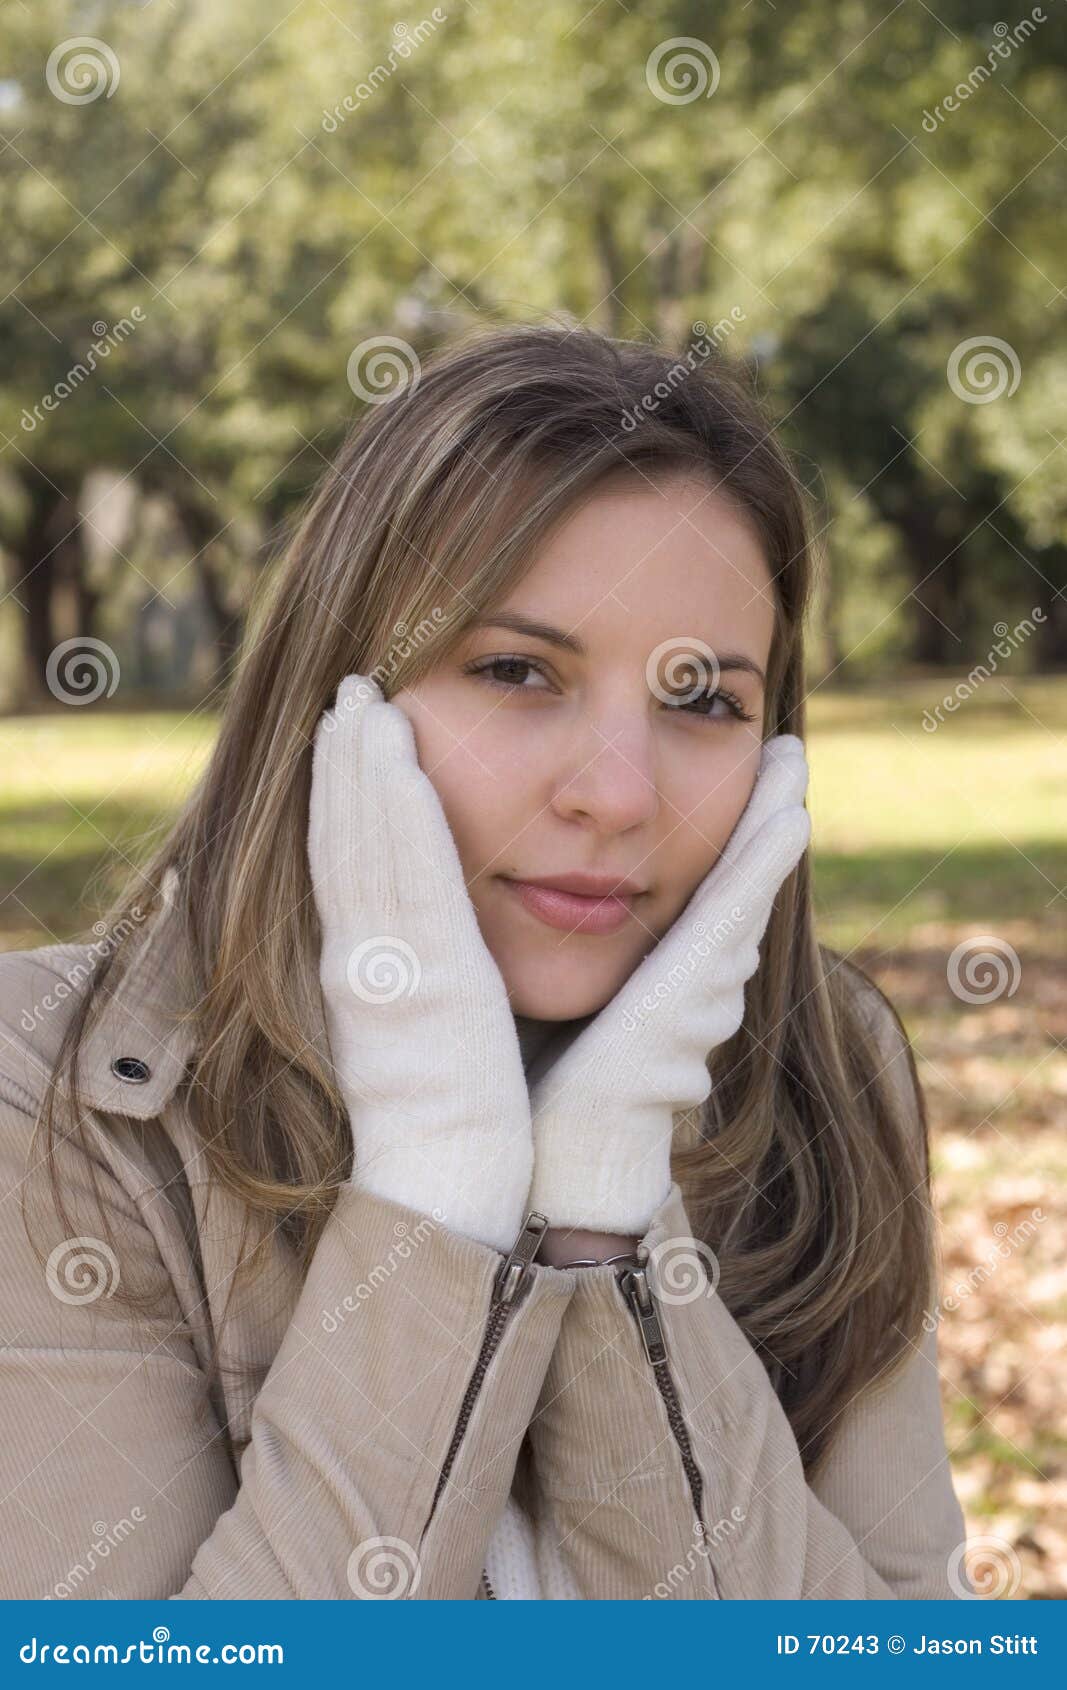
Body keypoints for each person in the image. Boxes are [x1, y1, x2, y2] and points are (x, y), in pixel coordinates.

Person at [0, 322, 970, 1599]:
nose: (617, 794)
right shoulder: (54, 1090)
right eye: (517, 670)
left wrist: (607, 1209)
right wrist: (440, 1176)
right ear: (338, 701)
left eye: (702, 700)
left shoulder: (828, 1066)